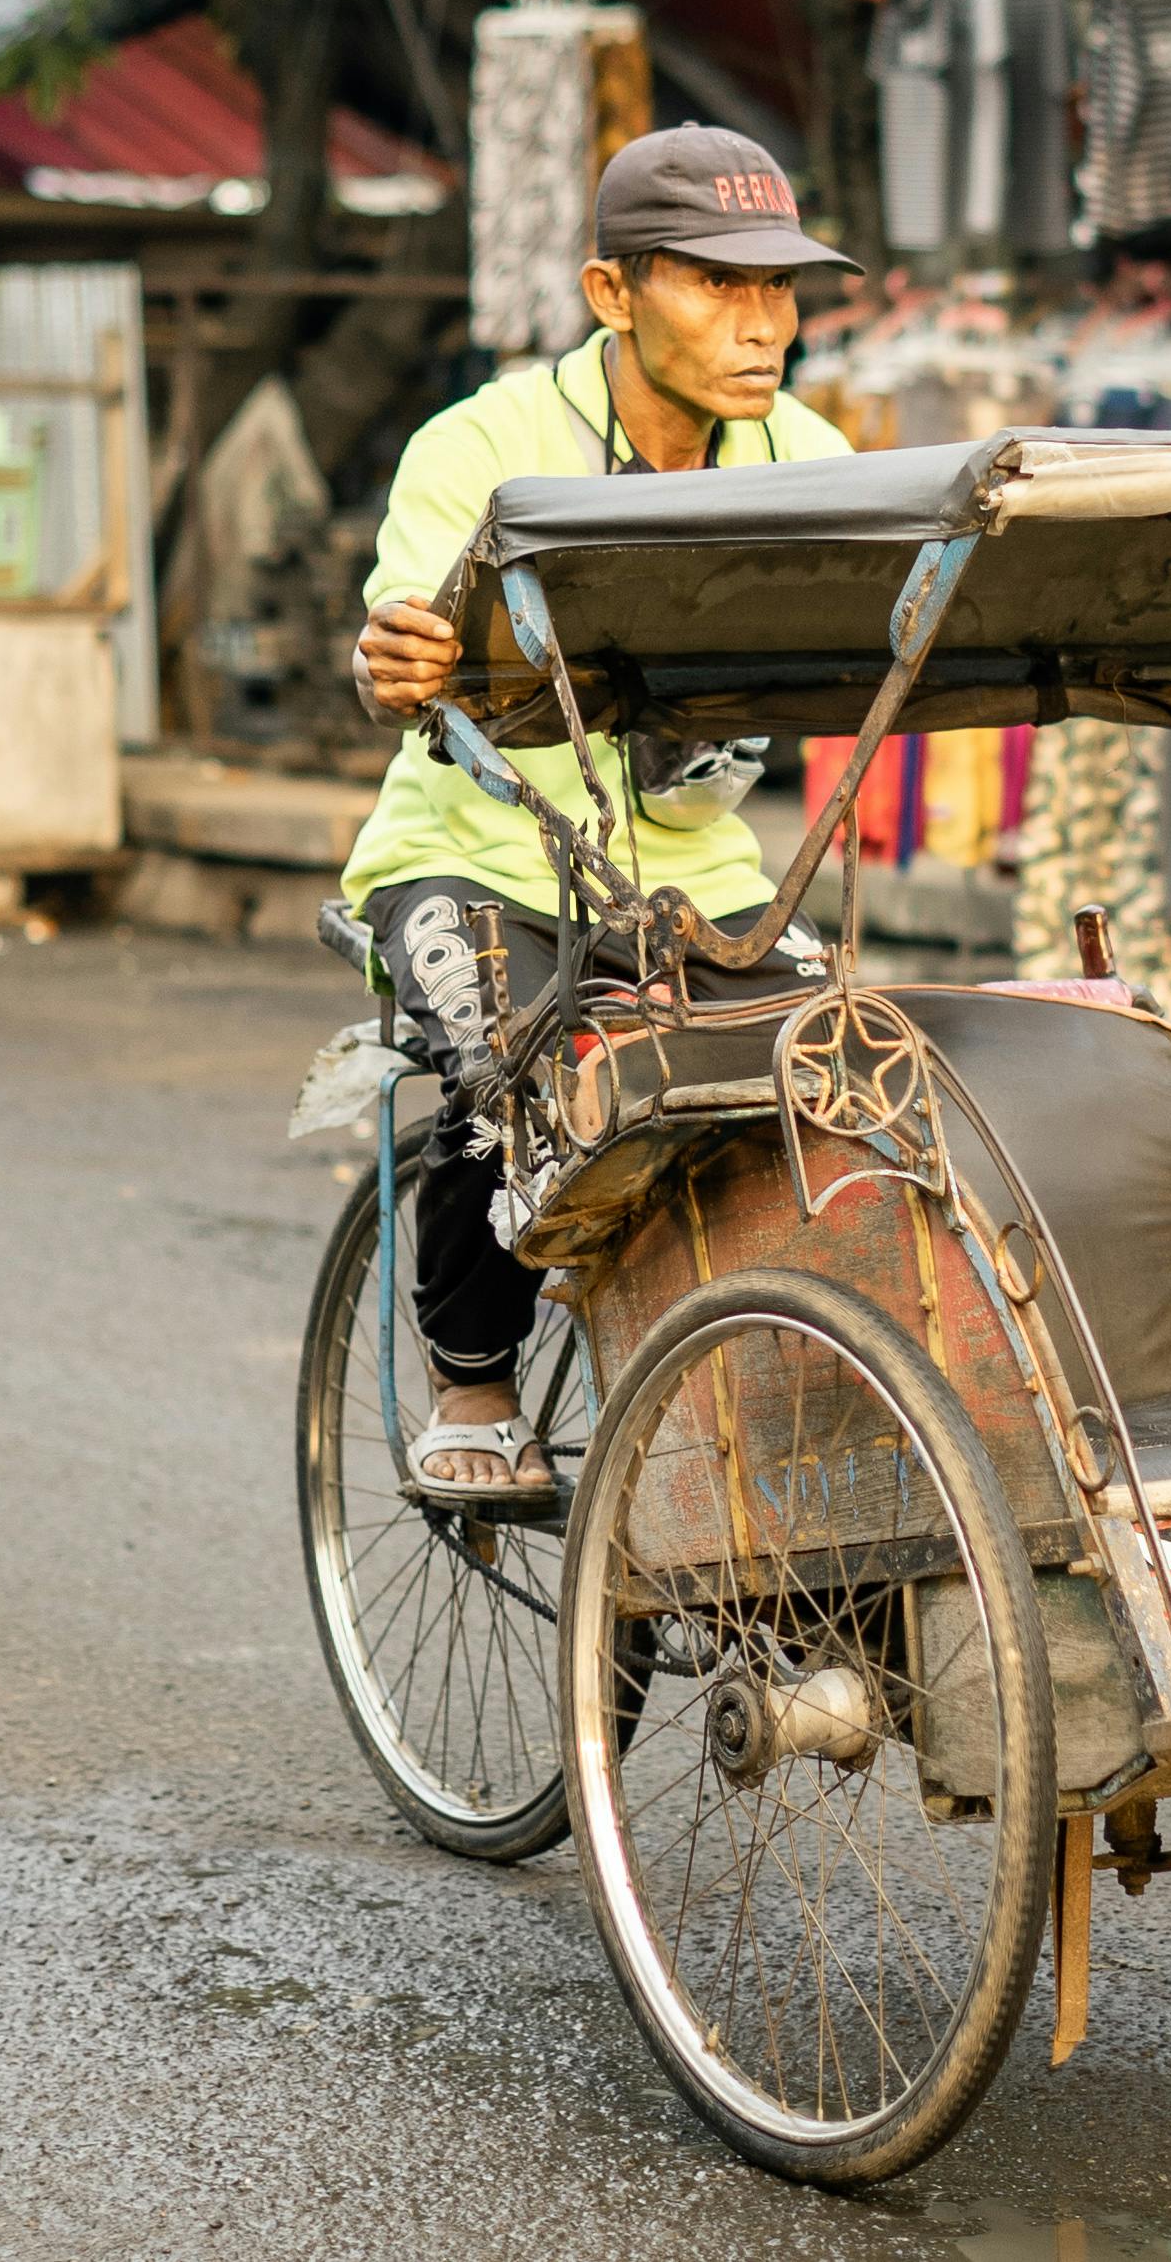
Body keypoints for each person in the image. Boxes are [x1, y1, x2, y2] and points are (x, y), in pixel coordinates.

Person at [339, 123, 857, 1494]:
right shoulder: (485, 445)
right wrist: (400, 658)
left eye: (780, 288)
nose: (764, 324)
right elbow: (402, 633)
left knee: (845, 1078)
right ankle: (473, 1381)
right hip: (482, 852)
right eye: (716, 285)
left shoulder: (808, 454)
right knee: (500, 1066)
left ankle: (779, 1369)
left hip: (695, 864)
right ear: (611, 293)